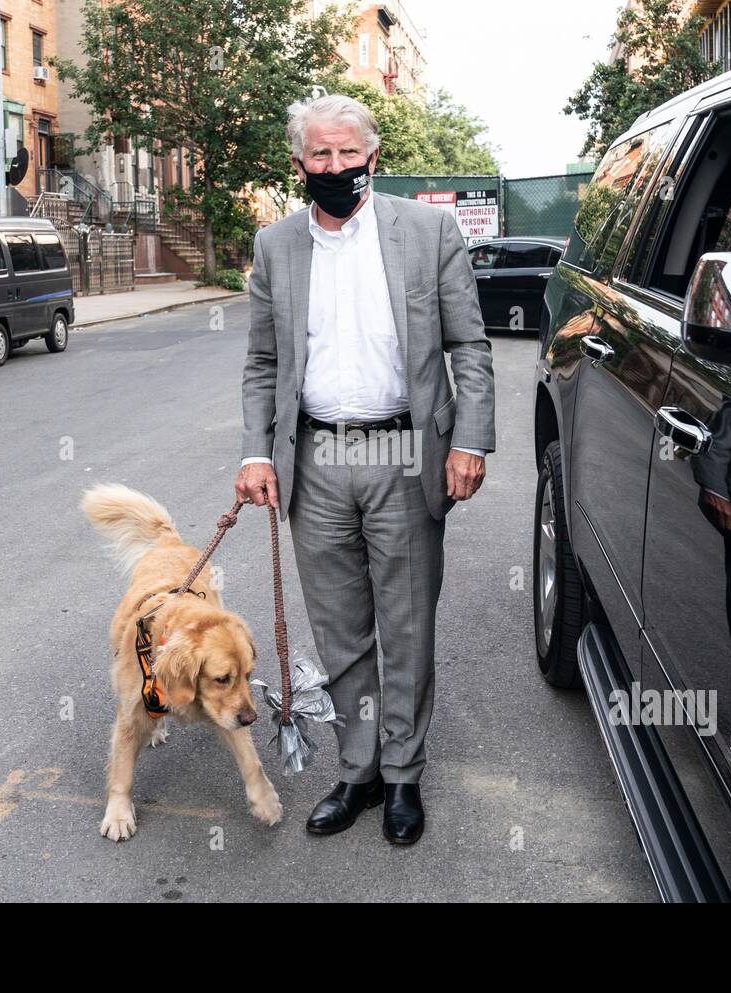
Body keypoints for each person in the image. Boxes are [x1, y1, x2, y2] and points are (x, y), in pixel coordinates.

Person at [235, 94, 496, 845]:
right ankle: (360, 768)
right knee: (340, 629)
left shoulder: (428, 231)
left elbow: (468, 346)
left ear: (372, 156)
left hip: (403, 451)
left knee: (405, 624)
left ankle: (404, 772)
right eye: (320, 154)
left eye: (348, 152)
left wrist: (470, 440)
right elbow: (262, 362)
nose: (335, 165)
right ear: (299, 164)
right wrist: (257, 451)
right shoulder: (275, 245)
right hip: (315, 458)